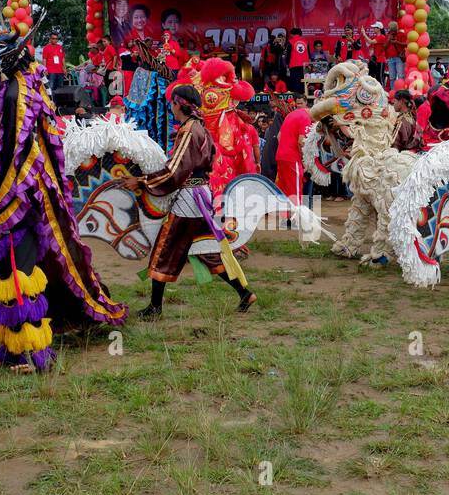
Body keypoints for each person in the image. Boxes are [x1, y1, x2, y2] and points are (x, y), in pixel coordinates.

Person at [120, 84, 256, 317]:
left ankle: (155, 307)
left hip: (189, 199)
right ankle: (244, 293)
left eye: (172, 103)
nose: (170, 107)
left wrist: (142, 181)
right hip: (199, 196)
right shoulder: (198, 128)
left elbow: (175, 172)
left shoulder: (189, 131)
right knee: (205, 249)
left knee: (165, 246)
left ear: (180, 104)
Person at [275, 106, 310, 204]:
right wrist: (304, 159)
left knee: (284, 189)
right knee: (295, 191)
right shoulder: (306, 118)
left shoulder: (291, 115)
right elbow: (301, 142)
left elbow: (279, 136)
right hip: (292, 157)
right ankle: (297, 216)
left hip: (281, 155)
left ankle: (285, 216)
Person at [287, 28, 308, 93]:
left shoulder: (290, 41)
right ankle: (304, 96)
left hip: (294, 65)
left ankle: (297, 97)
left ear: (292, 34)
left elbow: (288, 54)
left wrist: (287, 64)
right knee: (304, 81)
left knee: (295, 81)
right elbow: (308, 53)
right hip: (305, 65)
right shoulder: (306, 41)